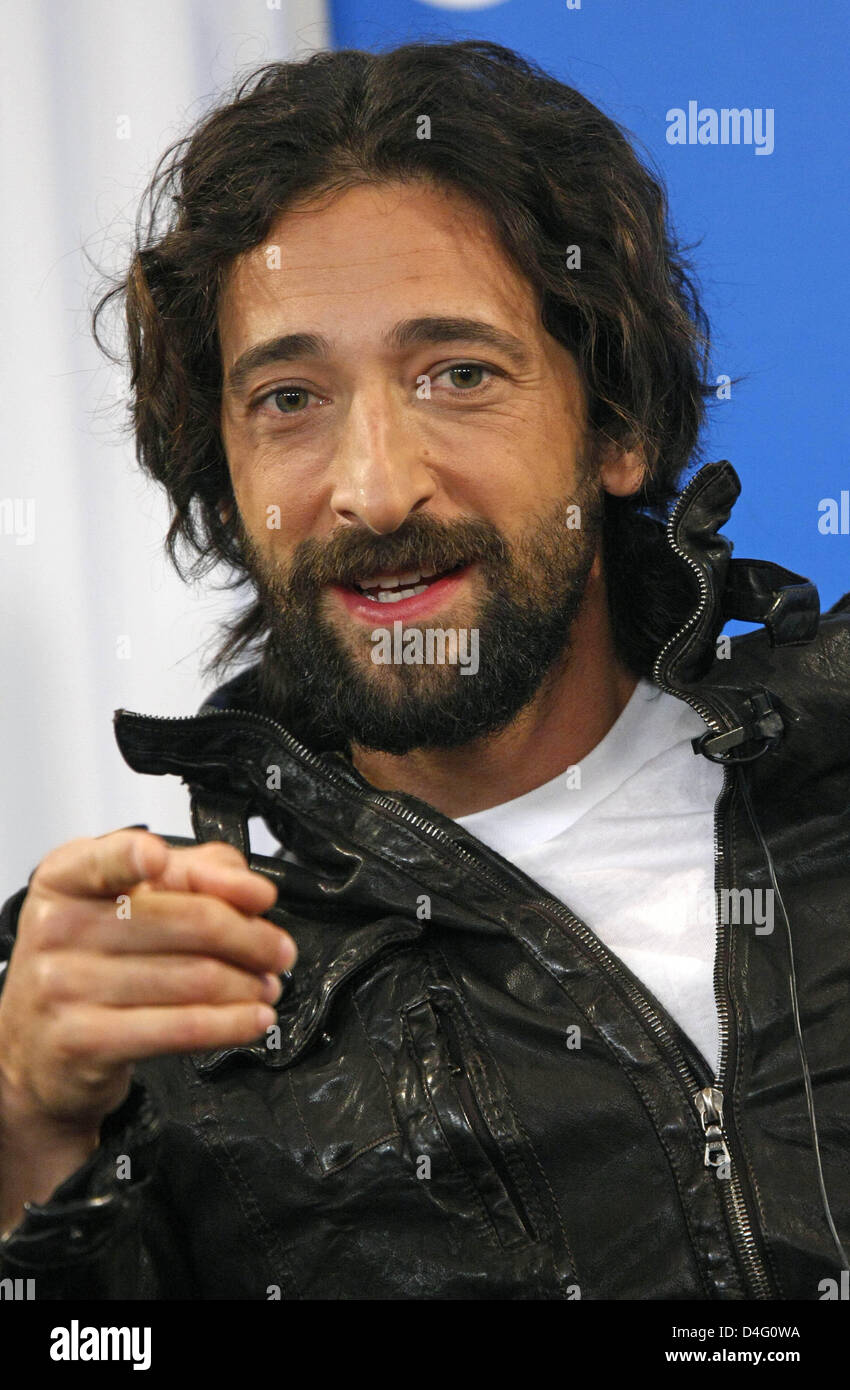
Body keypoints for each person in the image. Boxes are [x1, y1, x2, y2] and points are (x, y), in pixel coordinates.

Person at [0, 38, 847, 1301]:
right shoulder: (133, 1001)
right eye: (289, 397)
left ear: (614, 426)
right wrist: (27, 1140)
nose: (375, 488)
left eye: (457, 375)